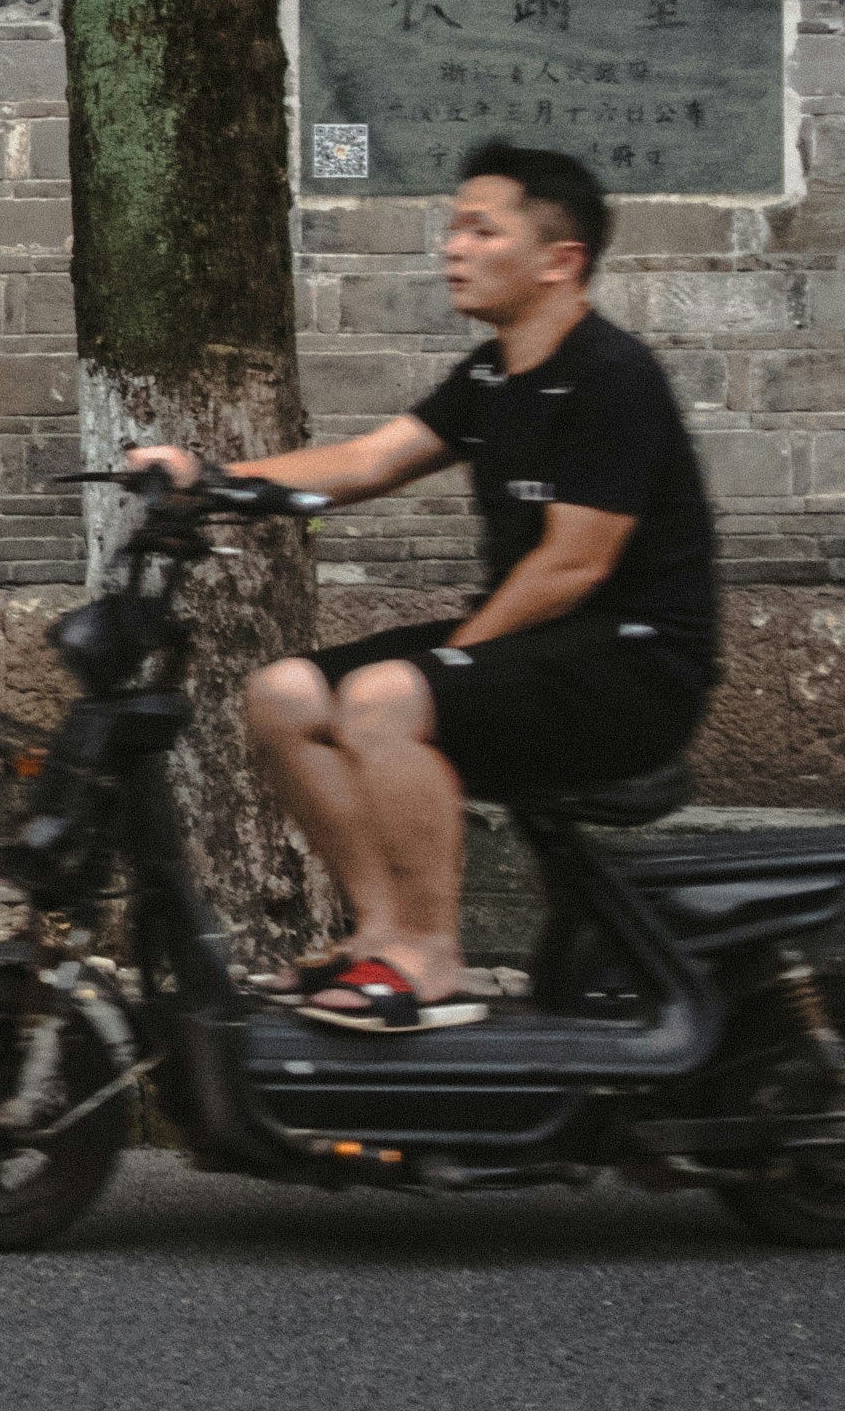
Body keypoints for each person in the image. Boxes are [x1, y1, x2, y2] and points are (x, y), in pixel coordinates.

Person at [128, 141, 725, 1036]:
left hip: (637, 666)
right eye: (453, 228)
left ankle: (432, 956)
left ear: (561, 261)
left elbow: (575, 565)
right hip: (544, 647)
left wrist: (455, 661)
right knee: (285, 694)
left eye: (482, 230)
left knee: (382, 700)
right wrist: (217, 480)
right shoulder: (493, 376)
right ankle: (379, 933)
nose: (453, 246)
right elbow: (372, 460)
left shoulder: (613, 376)